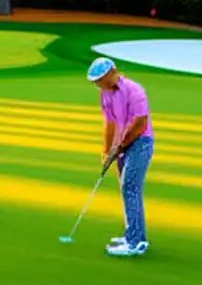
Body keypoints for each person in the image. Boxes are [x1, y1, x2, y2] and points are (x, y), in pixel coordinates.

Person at [87, 57, 154, 257]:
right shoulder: (105, 95)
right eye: (95, 81)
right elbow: (109, 124)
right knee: (127, 189)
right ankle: (135, 235)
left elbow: (140, 122)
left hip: (140, 143)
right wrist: (106, 151)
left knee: (130, 187)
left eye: (100, 79)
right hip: (122, 145)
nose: (97, 84)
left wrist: (121, 145)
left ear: (111, 73)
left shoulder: (134, 90)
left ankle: (134, 242)